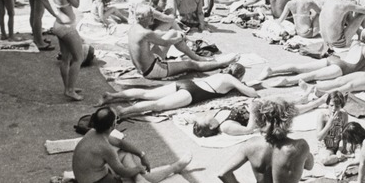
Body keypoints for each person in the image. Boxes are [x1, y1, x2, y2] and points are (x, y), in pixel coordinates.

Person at [73, 107, 192, 183]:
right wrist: (138, 169)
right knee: (137, 175)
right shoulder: (105, 147)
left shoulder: (92, 132)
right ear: (113, 126)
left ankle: (139, 180)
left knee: (124, 153)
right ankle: (174, 168)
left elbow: (120, 143)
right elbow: (122, 172)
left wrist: (141, 154)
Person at [102, 63, 256, 118]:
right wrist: (243, 85)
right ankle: (123, 111)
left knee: (146, 94)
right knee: (157, 105)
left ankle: (112, 96)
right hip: (192, 93)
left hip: (186, 84)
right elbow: (251, 93)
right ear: (238, 75)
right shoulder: (231, 80)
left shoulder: (220, 75)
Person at [128, 5, 233, 80]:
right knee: (190, 64)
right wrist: (179, 38)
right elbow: (165, 43)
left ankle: (197, 57)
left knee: (173, 32)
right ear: (147, 18)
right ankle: (221, 63)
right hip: (152, 70)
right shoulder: (145, 33)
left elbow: (155, 37)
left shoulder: (134, 28)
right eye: (152, 17)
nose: (153, 20)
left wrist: (175, 33)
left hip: (142, 68)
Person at [44, 0, 87, 101]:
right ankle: (70, 90)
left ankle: (68, 87)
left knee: (65, 58)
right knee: (78, 58)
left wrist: (54, 13)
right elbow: (77, 4)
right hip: (67, 27)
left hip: (58, 24)